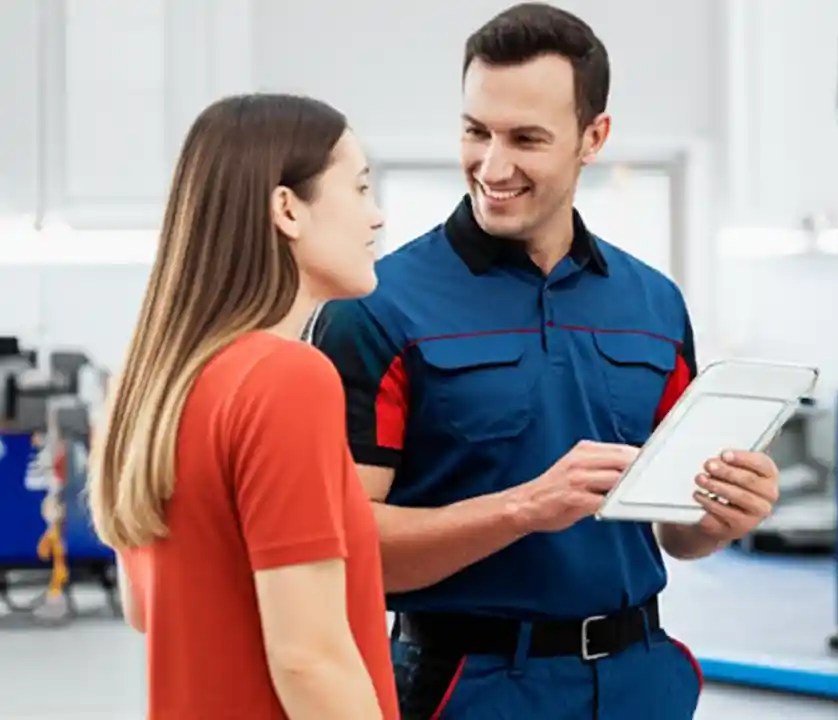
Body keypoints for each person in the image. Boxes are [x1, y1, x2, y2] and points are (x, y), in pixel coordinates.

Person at [312, 3, 783, 718]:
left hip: (638, 682)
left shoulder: (653, 305)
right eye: (476, 132)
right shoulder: (375, 308)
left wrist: (721, 516)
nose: (492, 166)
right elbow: (346, 553)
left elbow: (676, 533)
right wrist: (525, 509)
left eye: (526, 139)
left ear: (593, 138)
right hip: (471, 689)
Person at [86, 93, 399, 720]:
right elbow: (309, 659)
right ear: (287, 208)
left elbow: (146, 609)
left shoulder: (152, 387)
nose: (377, 218)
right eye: (361, 188)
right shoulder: (286, 379)